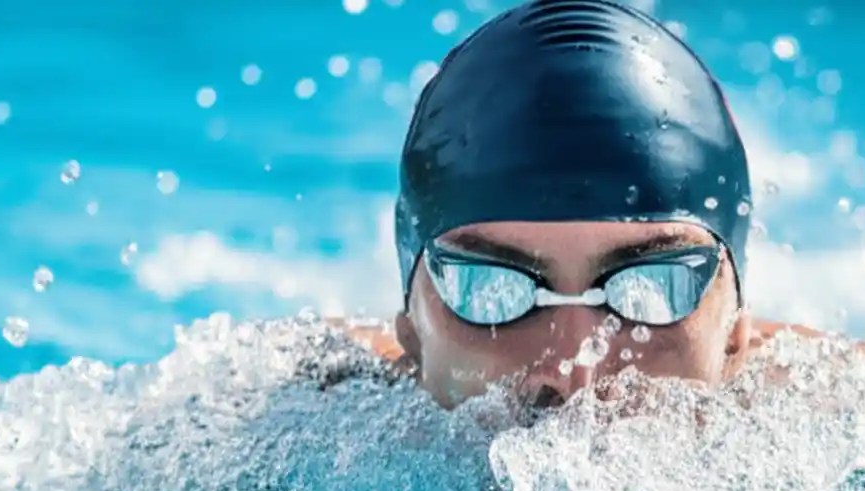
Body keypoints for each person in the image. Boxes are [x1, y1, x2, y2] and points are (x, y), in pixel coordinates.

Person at [341, 0, 827, 411]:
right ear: (413, 337)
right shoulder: (308, 409)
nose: (577, 379)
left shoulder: (850, 417)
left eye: (652, 288)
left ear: (733, 337)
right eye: (491, 291)